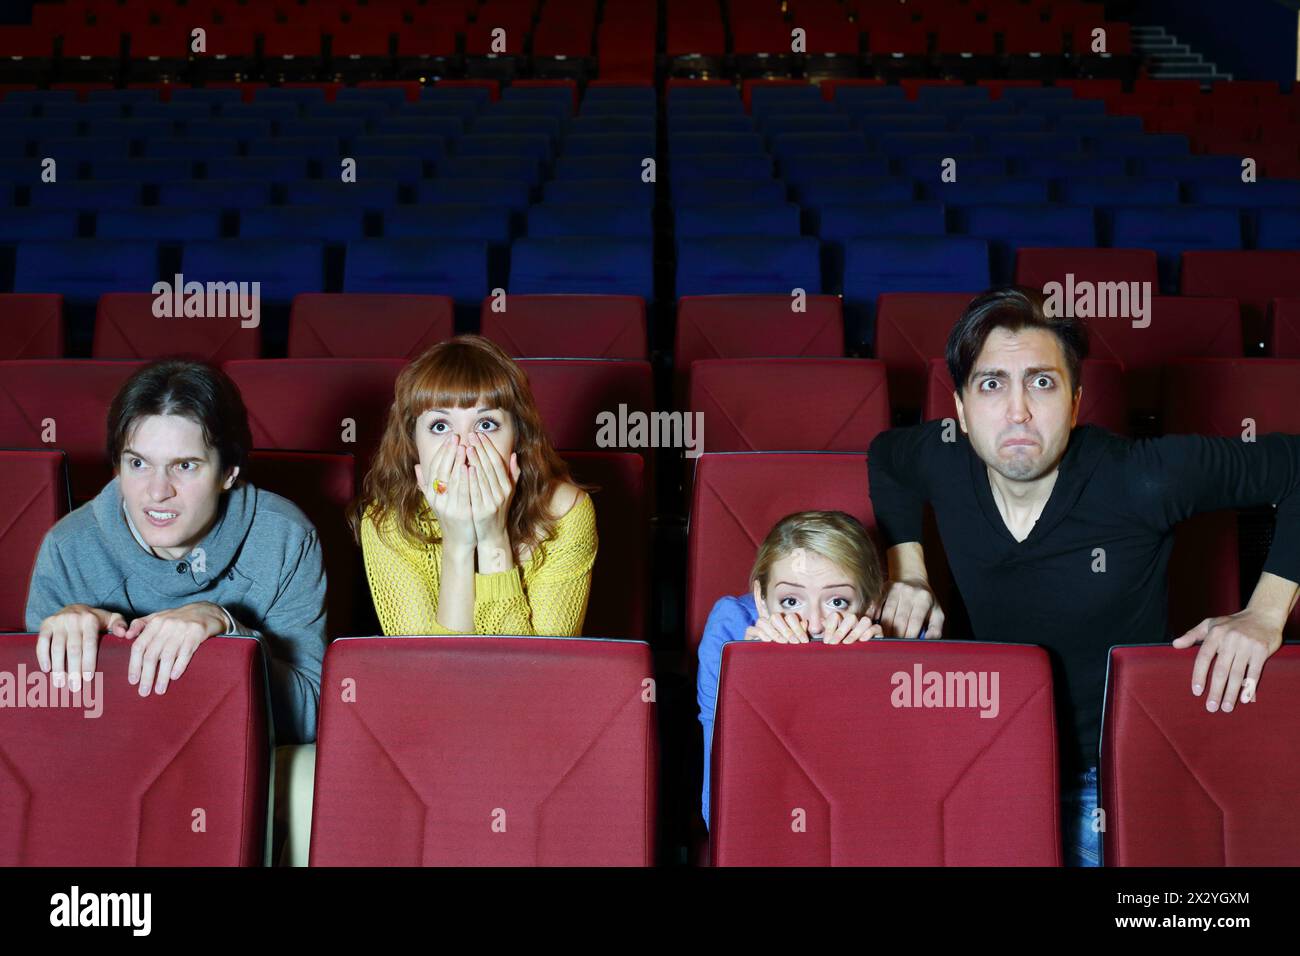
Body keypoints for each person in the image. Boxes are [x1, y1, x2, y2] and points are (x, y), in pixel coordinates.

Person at [867, 286, 1300, 866]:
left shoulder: (1143, 477)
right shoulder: (943, 458)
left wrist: (1267, 610)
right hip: (984, 756)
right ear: (962, 412)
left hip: (1110, 772)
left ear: (1074, 403)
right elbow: (885, 456)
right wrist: (909, 571)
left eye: (1041, 383)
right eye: (992, 384)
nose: (1017, 410)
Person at [25, 360, 326, 744]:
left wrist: (230, 630)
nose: (157, 491)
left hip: (237, 756)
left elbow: (309, 718)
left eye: (184, 465)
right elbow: (40, 736)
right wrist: (82, 651)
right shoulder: (67, 548)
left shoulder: (286, 538)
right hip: (112, 756)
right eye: (138, 464)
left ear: (229, 473)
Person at [350, 334, 596, 637]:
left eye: (486, 424)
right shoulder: (388, 522)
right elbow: (429, 674)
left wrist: (494, 539)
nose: (465, 447)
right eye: (440, 426)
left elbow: (535, 674)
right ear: (414, 443)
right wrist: (459, 545)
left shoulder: (565, 511)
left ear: (517, 436)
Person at [696, 510, 885, 829]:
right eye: (791, 601)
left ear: (870, 605)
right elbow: (720, 809)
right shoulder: (732, 626)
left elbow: (895, 806)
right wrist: (751, 677)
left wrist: (877, 673)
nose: (813, 624)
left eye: (837, 601)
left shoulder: (901, 639)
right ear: (761, 599)